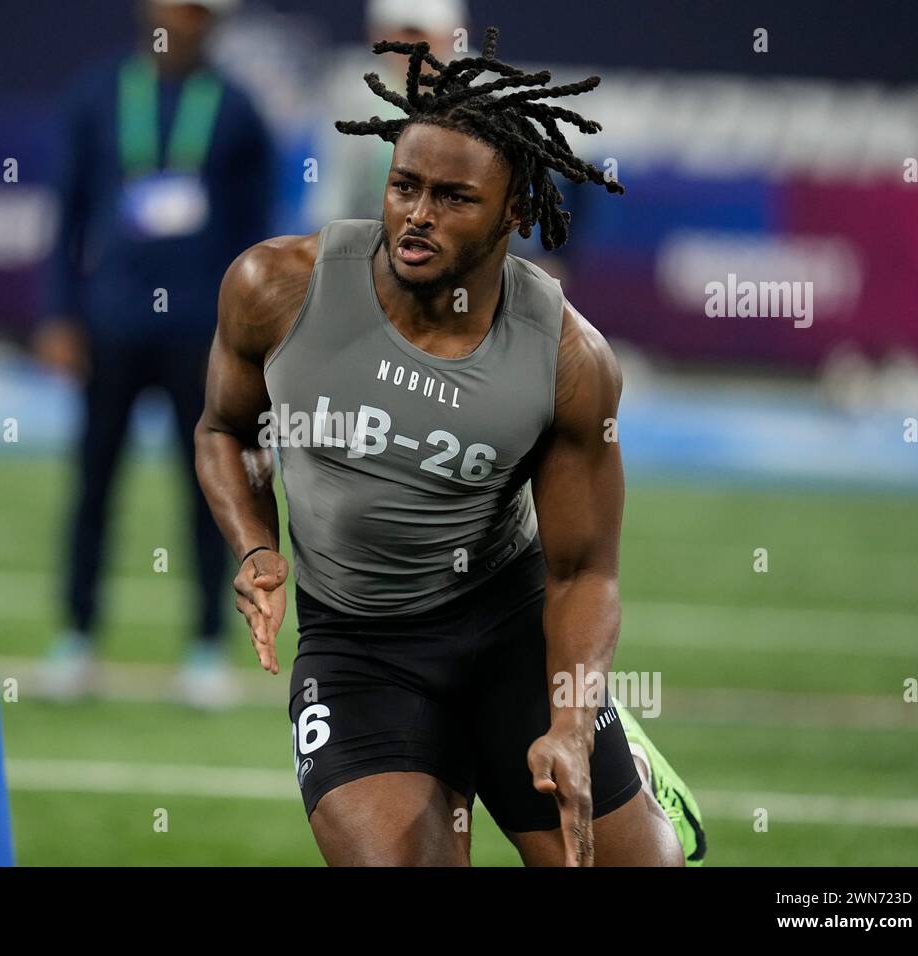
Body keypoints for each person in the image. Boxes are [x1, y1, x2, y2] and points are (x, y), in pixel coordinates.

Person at [195, 26, 706, 864]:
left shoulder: (569, 361)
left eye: (453, 198)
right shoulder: (275, 289)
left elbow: (585, 573)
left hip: (511, 635)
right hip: (357, 648)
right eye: (405, 187)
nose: (418, 217)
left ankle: (632, 770)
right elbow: (224, 430)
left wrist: (571, 728)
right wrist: (254, 545)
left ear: (515, 210)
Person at [35, 0, 276, 707]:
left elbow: (257, 239)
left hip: (205, 335)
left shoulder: (237, 110)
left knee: (212, 489)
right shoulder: (97, 95)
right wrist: (58, 315)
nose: (189, 20)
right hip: (111, 323)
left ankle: (207, 645)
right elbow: (67, 214)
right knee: (93, 485)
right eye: (180, 6)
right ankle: (76, 638)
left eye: (203, 12)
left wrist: (253, 336)